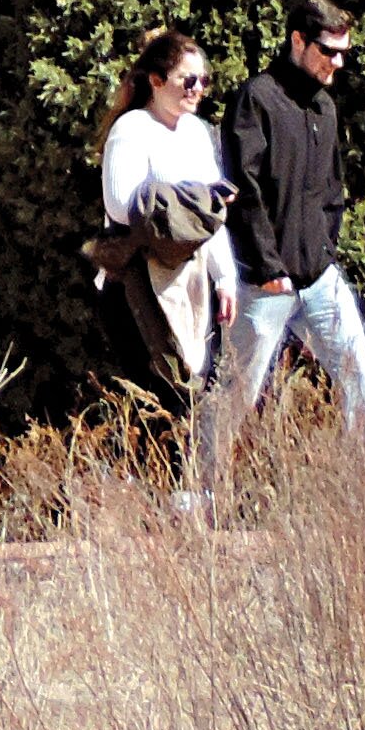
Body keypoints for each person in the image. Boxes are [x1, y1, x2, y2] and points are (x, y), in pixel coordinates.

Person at [207, 0, 365, 486]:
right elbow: (242, 192)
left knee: (360, 379)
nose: (337, 62)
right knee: (235, 395)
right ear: (297, 41)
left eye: (343, 53)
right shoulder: (257, 99)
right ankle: (200, 495)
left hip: (320, 280)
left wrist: (325, 254)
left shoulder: (325, 108)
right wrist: (268, 270)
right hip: (265, 285)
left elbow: (332, 189)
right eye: (328, 51)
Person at [91, 25, 237, 433]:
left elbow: (213, 214)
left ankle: (193, 490)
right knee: (160, 399)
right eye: (187, 80)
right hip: (138, 283)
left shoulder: (196, 132)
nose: (198, 89)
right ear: (156, 81)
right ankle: (165, 493)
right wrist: (190, 201)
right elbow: (121, 205)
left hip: (191, 283)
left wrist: (225, 278)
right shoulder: (132, 129)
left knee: (197, 392)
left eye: (204, 81)